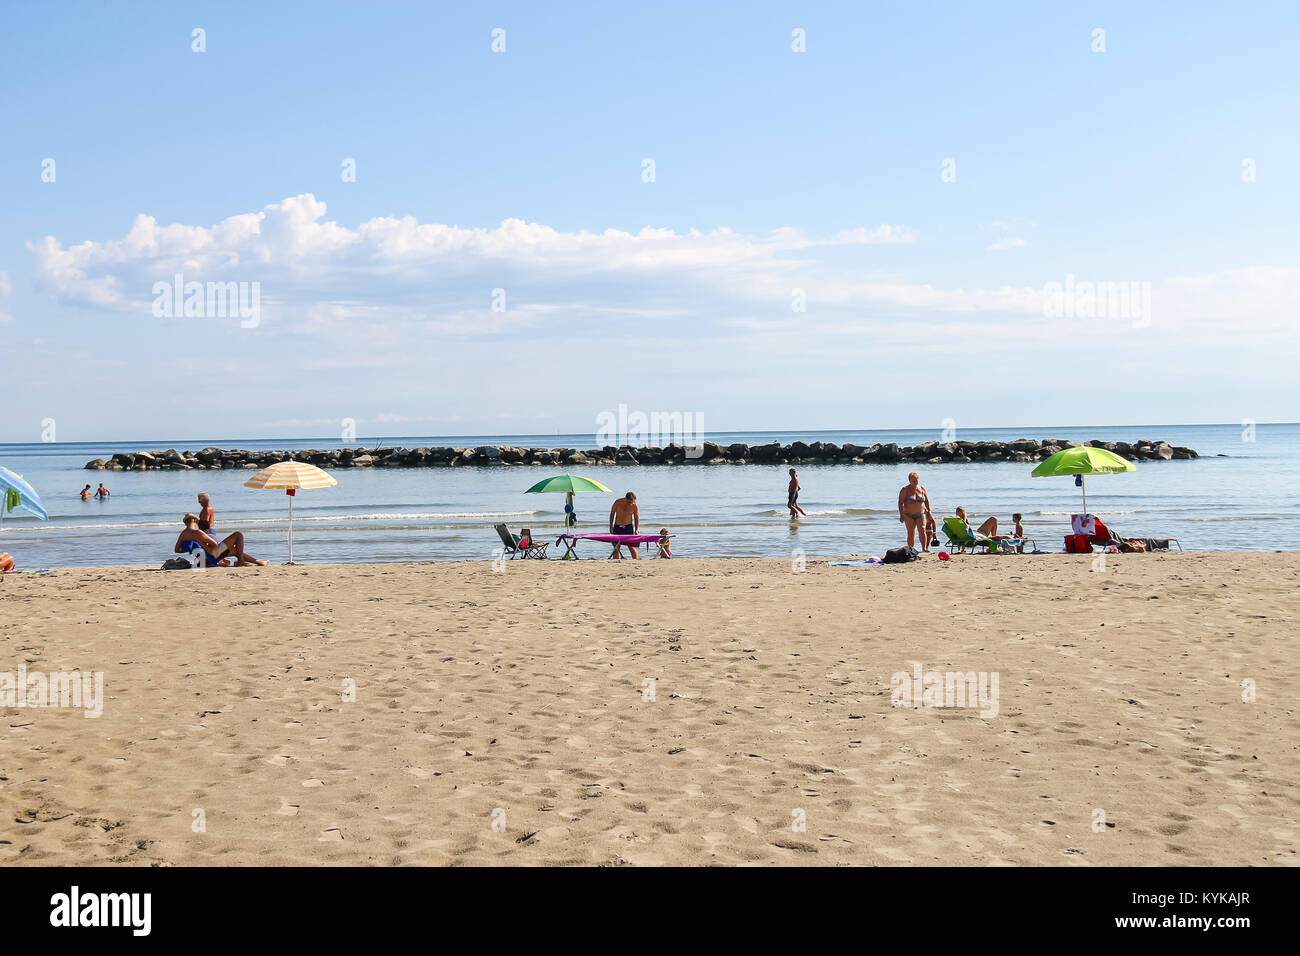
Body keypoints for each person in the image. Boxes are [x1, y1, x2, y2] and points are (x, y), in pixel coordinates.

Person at [174, 513, 267, 567]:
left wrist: (193, 548)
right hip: (213, 555)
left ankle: (258, 562)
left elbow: (177, 550)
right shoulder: (198, 532)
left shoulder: (183, 534)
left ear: (185, 523)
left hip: (204, 558)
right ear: (194, 521)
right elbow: (214, 544)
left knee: (235, 550)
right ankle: (241, 562)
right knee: (238, 535)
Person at [897, 472, 933, 552]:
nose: (915, 482)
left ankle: (924, 548)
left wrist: (929, 511)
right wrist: (901, 514)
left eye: (916, 480)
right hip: (908, 515)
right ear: (909, 480)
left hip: (921, 514)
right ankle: (910, 549)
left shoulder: (922, 488)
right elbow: (900, 502)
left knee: (922, 530)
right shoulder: (905, 490)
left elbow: (926, 500)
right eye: (913, 480)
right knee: (911, 533)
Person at [608, 491, 640, 559]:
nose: (631, 503)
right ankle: (615, 561)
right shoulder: (617, 502)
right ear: (625, 499)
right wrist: (611, 526)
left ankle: (636, 561)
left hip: (628, 527)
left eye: (632, 502)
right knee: (616, 546)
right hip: (617, 526)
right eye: (629, 502)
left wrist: (636, 529)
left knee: (631, 546)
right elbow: (612, 514)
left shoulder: (634, 505)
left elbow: (636, 518)